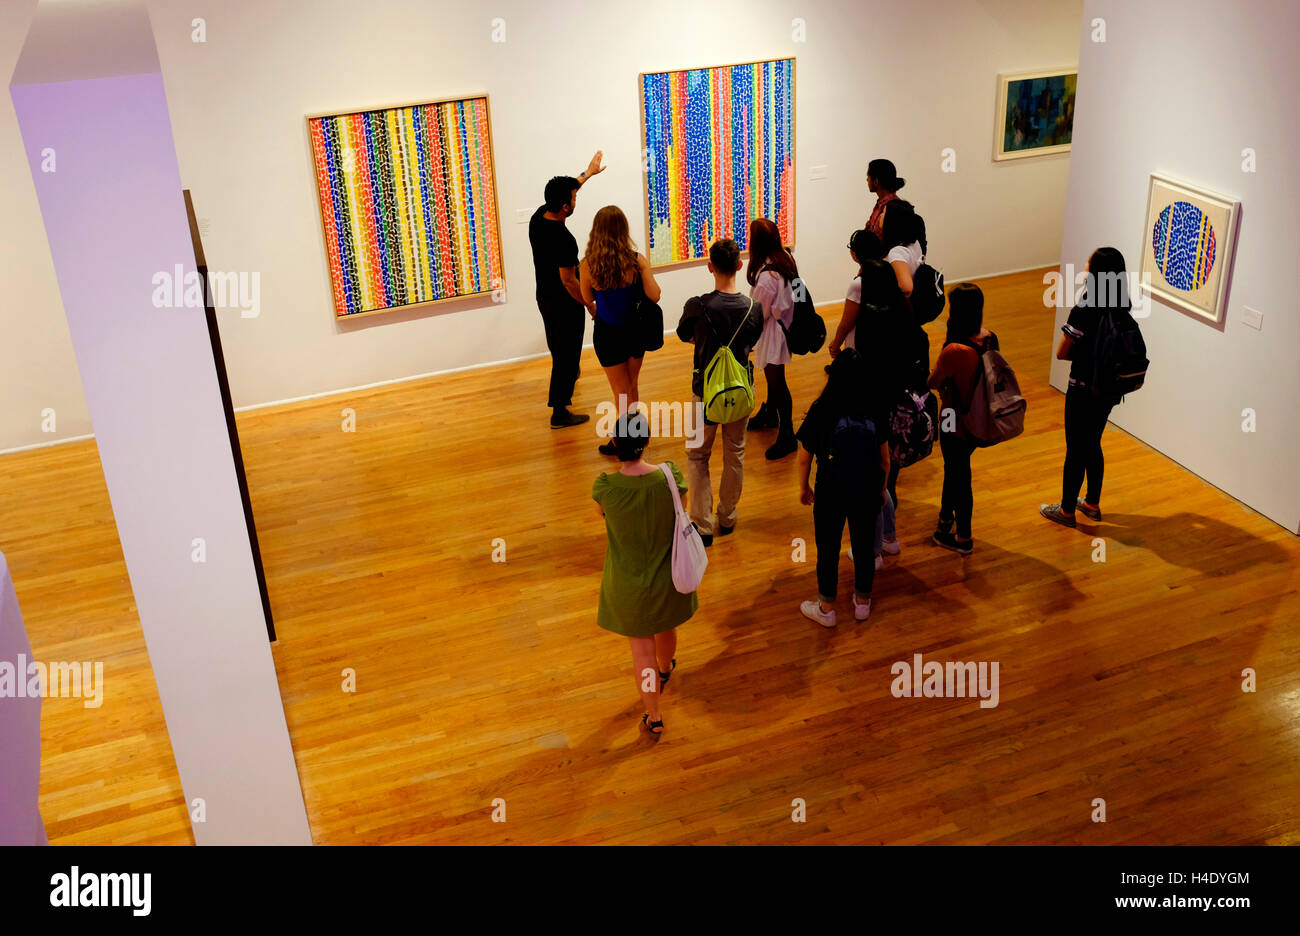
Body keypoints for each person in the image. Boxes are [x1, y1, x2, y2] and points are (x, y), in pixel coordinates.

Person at [592, 411, 697, 736]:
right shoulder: (670, 476)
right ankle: (665, 669)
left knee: (641, 653)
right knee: (666, 627)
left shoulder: (605, 487)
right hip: (668, 577)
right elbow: (682, 501)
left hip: (628, 585)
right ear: (647, 441)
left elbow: (602, 513)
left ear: (614, 444)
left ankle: (654, 716)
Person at [676, 239, 764, 546]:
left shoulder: (697, 306)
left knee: (698, 455)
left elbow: (685, 335)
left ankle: (702, 523)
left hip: (704, 392)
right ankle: (727, 515)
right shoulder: (754, 309)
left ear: (709, 266)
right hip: (741, 392)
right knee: (735, 452)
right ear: (740, 265)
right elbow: (751, 342)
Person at [795, 350, 890, 627]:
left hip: (831, 488)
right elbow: (885, 460)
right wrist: (882, 489)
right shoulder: (875, 406)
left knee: (827, 546)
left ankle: (826, 608)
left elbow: (804, 457)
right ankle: (862, 602)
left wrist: (804, 487)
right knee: (863, 545)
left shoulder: (823, 408)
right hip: (867, 488)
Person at [1039, 247, 1130, 528]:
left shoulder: (1084, 308)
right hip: (1109, 388)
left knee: (1075, 449)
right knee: (1093, 442)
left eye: (1089, 267)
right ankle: (1091, 503)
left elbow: (1062, 353)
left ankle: (1066, 511)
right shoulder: (1122, 303)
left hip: (1082, 388)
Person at [529, 151, 606, 429]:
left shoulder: (538, 219)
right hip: (564, 302)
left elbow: (566, 188)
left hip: (544, 298)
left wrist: (587, 173)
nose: (576, 200)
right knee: (566, 354)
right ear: (564, 207)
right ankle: (559, 412)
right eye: (573, 199)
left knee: (560, 349)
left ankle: (569, 375)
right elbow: (569, 280)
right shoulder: (563, 239)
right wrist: (589, 304)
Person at [580, 206, 661, 456]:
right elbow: (655, 296)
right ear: (623, 230)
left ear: (596, 232)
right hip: (635, 332)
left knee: (621, 391)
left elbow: (586, 297)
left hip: (608, 334)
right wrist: (645, 269)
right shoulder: (636, 261)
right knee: (630, 387)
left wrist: (598, 306)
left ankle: (625, 444)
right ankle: (632, 438)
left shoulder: (587, 265)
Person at [926, 283, 997, 556]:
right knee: (954, 468)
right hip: (980, 418)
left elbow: (934, 382)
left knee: (958, 474)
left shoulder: (954, 350)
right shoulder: (990, 338)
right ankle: (945, 518)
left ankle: (964, 537)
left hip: (952, 420)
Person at [743, 218, 799, 460]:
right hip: (782, 326)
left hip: (774, 332)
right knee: (772, 377)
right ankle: (770, 413)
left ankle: (787, 433)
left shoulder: (767, 277)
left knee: (777, 382)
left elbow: (759, 313)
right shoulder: (785, 258)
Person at [880, 200, 924, 300]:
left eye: (883, 213)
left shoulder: (896, 253)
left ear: (891, 220)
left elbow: (906, 289)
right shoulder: (914, 242)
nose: (881, 216)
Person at [865, 158, 905, 238]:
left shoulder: (895, 209)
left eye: (868, 176)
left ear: (876, 181)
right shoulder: (880, 205)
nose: (867, 180)